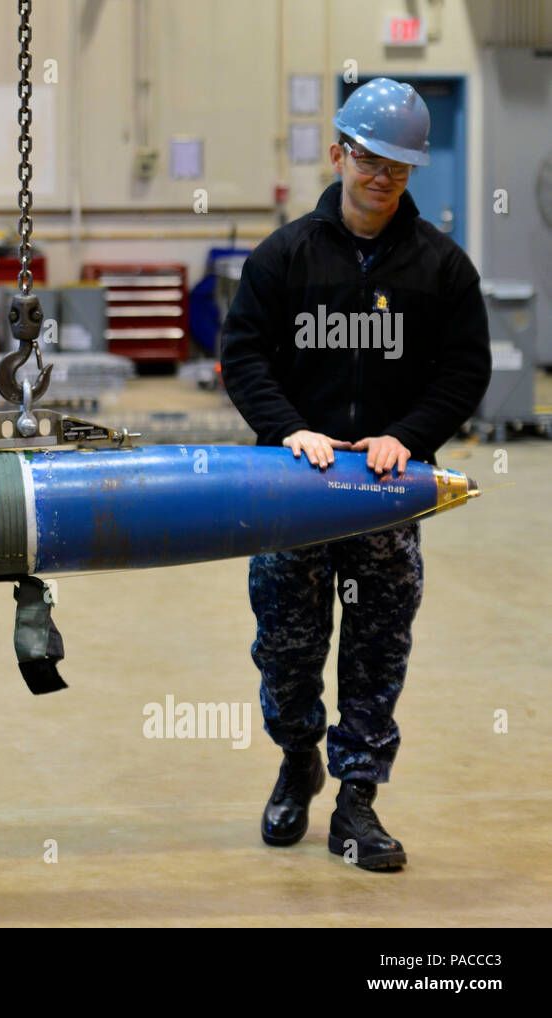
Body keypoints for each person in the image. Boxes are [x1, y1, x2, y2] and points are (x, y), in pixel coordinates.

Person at [220, 78, 490, 870]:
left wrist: (406, 438)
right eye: (369, 160)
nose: (381, 178)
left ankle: (357, 804)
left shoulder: (442, 268)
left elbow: (463, 370)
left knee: (376, 650)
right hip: (293, 492)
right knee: (286, 649)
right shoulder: (284, 257)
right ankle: (297, 756)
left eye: (399, 167)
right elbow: (243, 354)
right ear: (339, 153)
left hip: (381, 494)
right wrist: (287, 429)